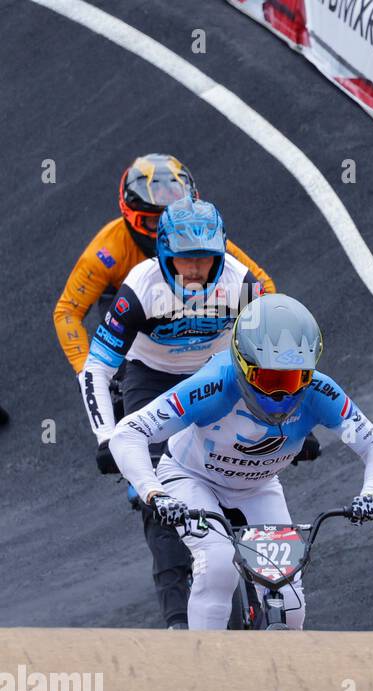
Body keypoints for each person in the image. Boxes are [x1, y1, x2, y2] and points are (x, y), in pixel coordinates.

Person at [108, 295, 373, 631]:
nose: (281, 397)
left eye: (291, 381)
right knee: (217, 565)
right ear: (242, 365)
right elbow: (128, 433)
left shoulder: (319, 392)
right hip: (190, 477)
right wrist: (154, 493)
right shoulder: (214, 384)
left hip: (257, 488)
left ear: (309, 373)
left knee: (289, 604)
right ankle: (197, 668)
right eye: (269, 380)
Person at [78, 196, 265, 628]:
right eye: (185, 260)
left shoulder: (242, 282)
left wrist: (292, 417)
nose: (196, 269)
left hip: (220, 372)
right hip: (154, 377)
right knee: (159, 492)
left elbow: (272, 346)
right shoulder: (139, 288)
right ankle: (178, 616)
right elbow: (97, 370)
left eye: (204, 259)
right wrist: (106, 435)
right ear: (164, 255)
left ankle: (265, 587)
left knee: (254, 461)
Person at [54, 154, 274, 376]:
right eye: (155, 221)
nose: (165, 229)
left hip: (199, 313)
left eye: (175, 216)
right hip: (138, 314)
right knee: (120, 375)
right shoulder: (105, 252)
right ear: (130, 216)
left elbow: (260, 285)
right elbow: (68, 312)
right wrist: (88, 372)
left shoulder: (202, 236)